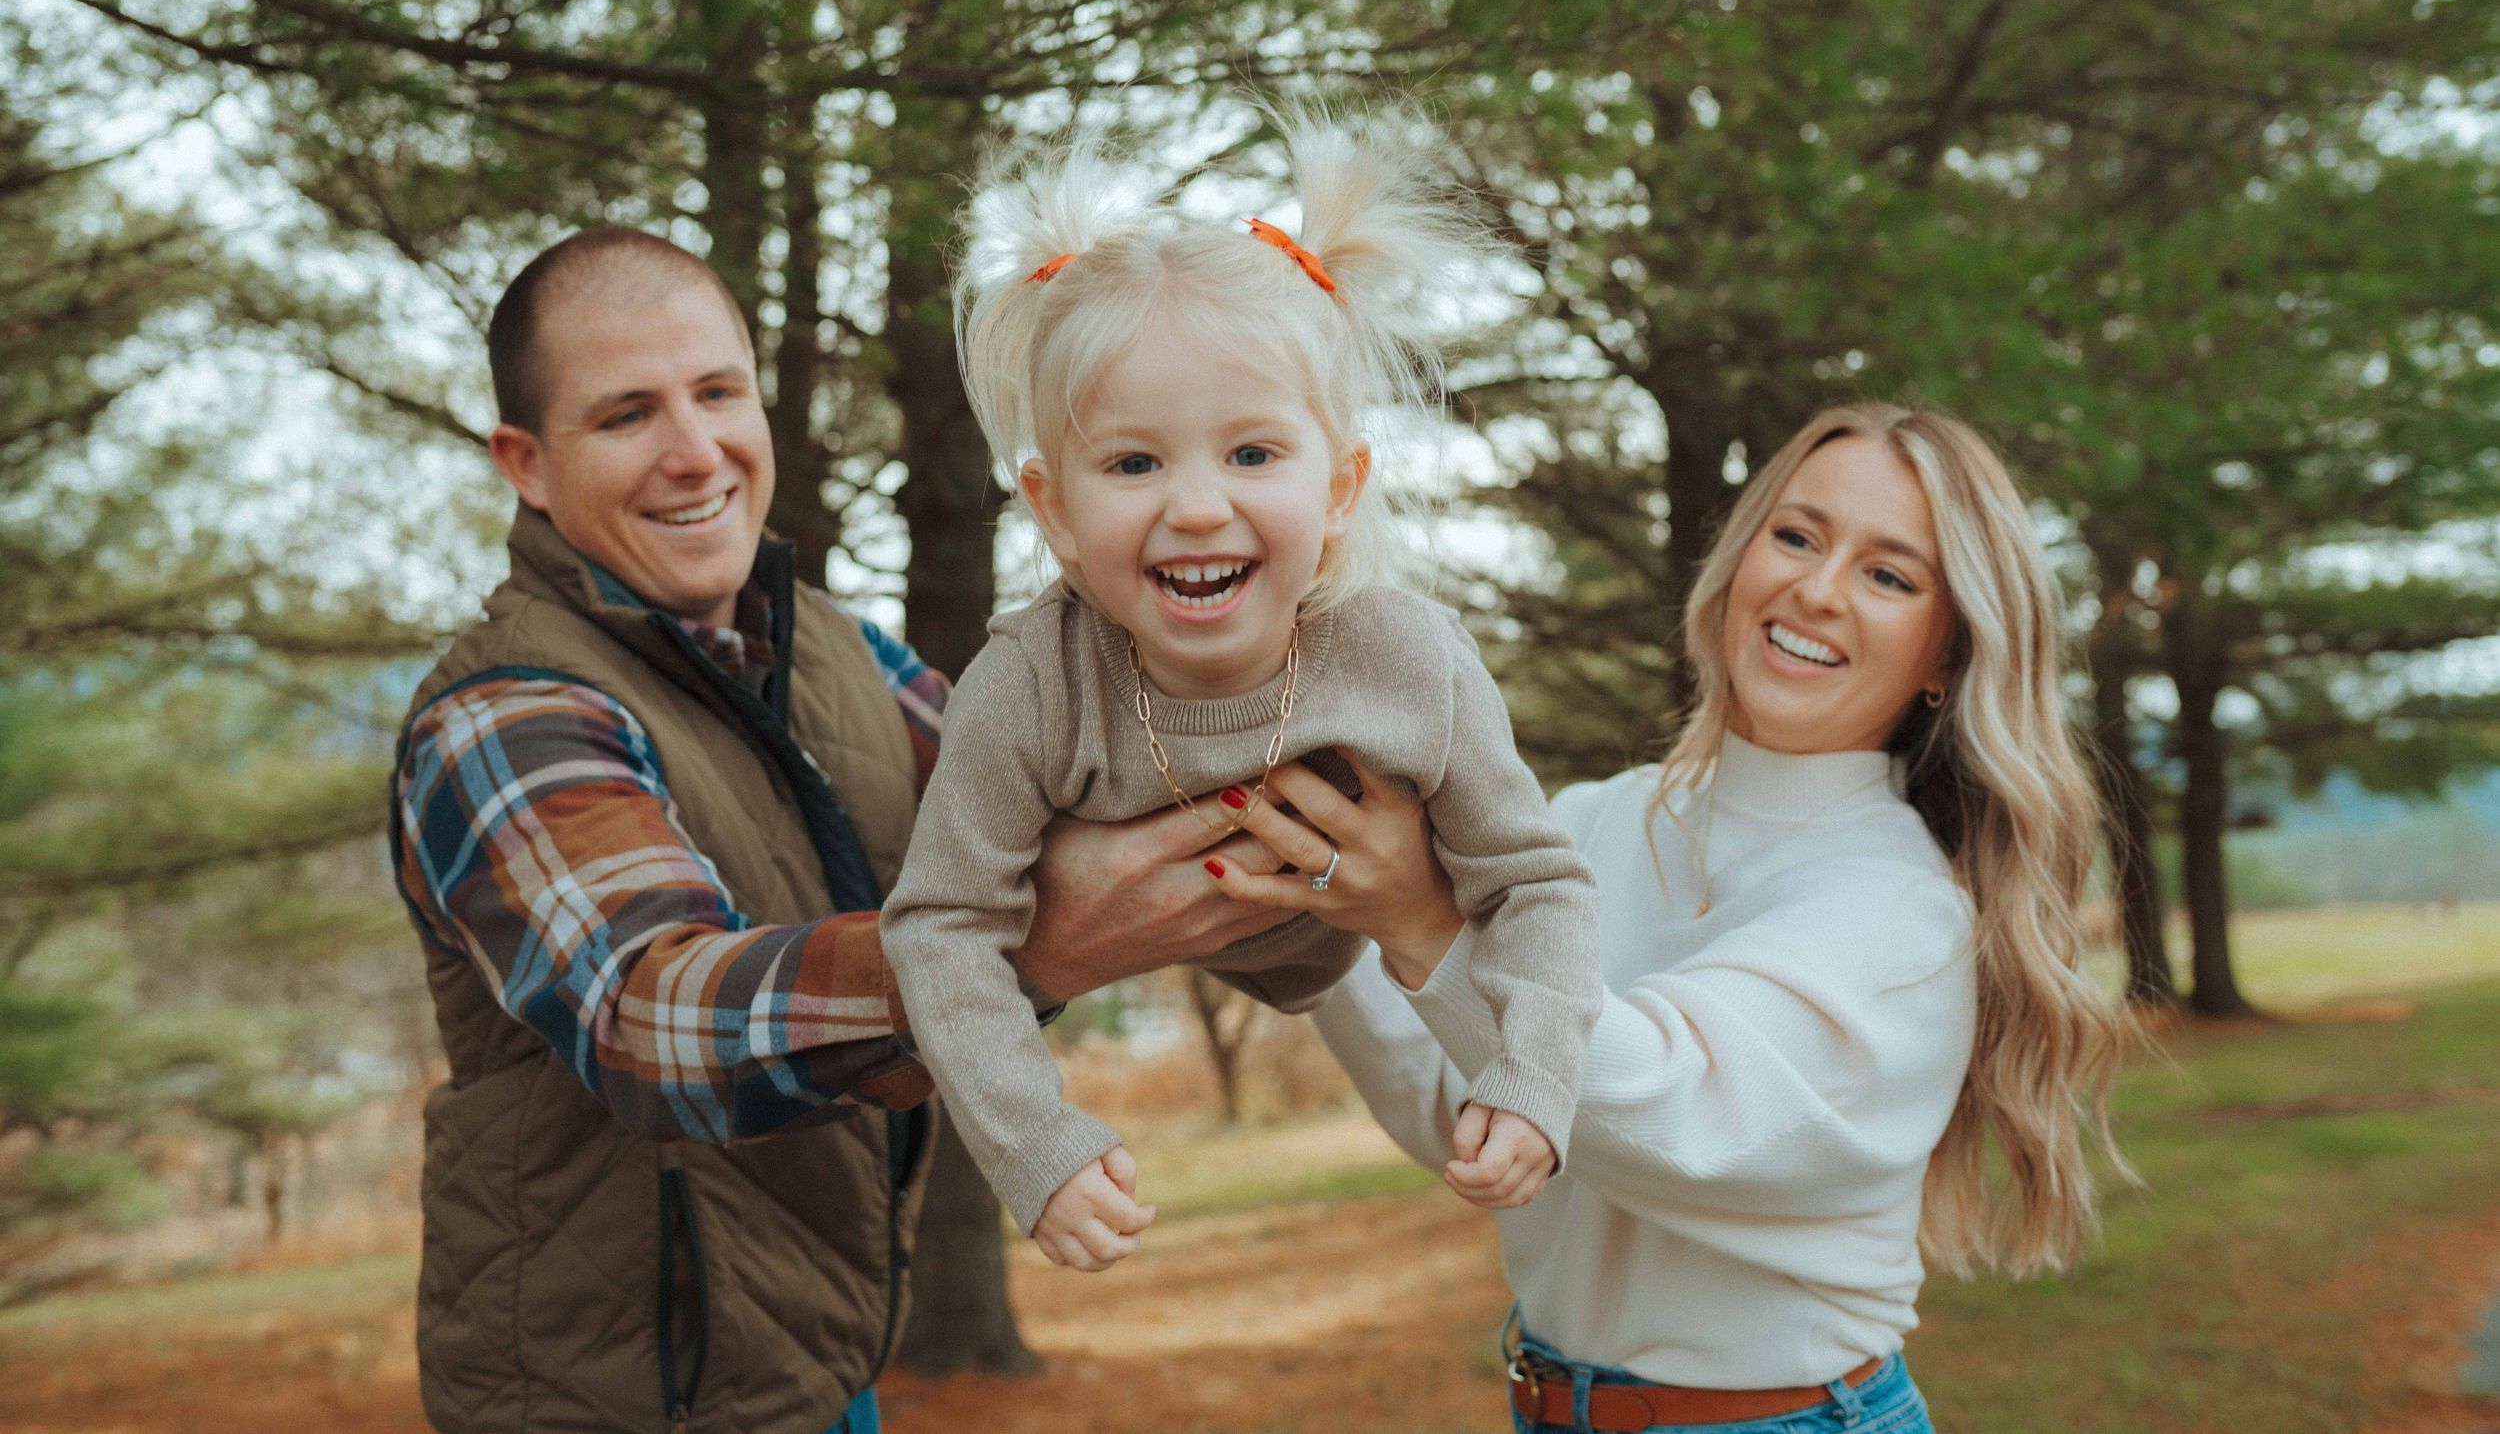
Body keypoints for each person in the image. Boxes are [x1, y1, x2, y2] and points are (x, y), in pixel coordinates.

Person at [387, 227, 1281, 1434]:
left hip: (820, 1374)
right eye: (626, 416)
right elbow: (653, 1019)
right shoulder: (504, 714)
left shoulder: (843, 650)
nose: (695, 450)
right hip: (614, 1409)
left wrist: (1270, 675)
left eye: (717, 392)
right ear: (526, 464)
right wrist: (1023, 955)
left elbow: (1075, 811)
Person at [1159, 402, 2130, 1433]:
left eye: (1887, 575)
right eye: (1795, 536)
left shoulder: (1903, 911)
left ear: (1945, 655)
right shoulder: (1590, 822)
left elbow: (1662, 1109)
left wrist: (1416, 917)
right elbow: (1466, 1109)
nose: (1815, 588)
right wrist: (1285, 869)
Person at [879, 111, 1604, 1273]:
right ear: (1053, 509)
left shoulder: (1410, 663)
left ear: (1340, 488)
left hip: (1338, 962)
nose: (1198, 505)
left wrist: (1532, 1075)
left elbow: (1538, 883)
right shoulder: (1025, 687)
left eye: (1252, 454)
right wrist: (1034, 1142)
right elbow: (942, 922)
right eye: (1132, 462)